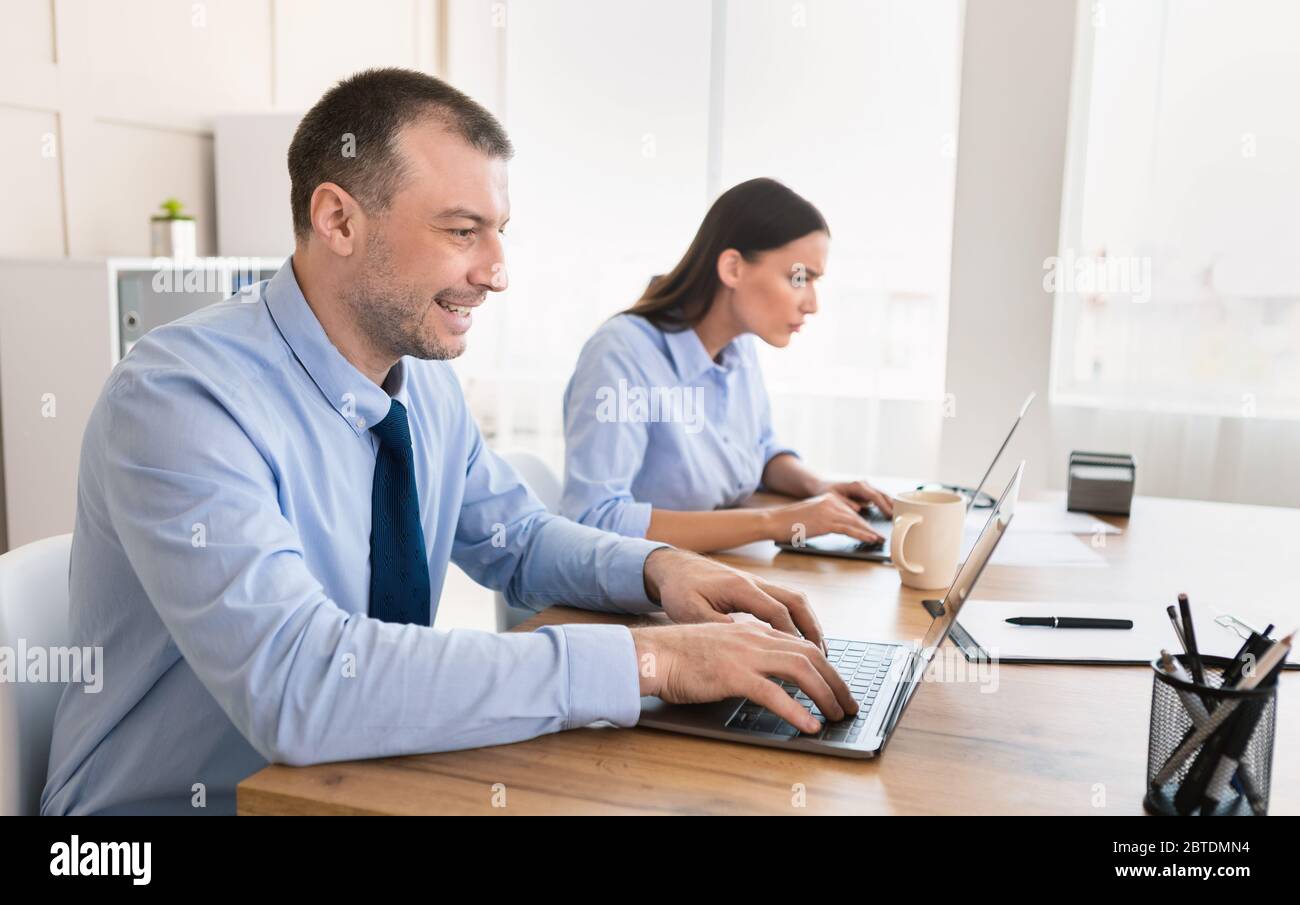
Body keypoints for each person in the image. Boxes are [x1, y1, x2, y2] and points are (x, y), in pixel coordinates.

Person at [41, 69, 856, 815]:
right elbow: (302, 684)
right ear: (338, 220)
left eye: (498, 231)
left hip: (353, 783)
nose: (498, 272)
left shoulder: (422, 380)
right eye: (464, 231)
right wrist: (653, 663)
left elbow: (518, 539)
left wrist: (659, 569)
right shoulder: (181, 398)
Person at [561, 178, 894, 553]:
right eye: (799, 277)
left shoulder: (739, 348)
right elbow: (594, 519)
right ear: (733, 267)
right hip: (636, 595)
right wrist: (776, 523)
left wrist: (817, 487)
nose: (812, 303)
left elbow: (760, 450)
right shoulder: (621, 354)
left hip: (718, 570)